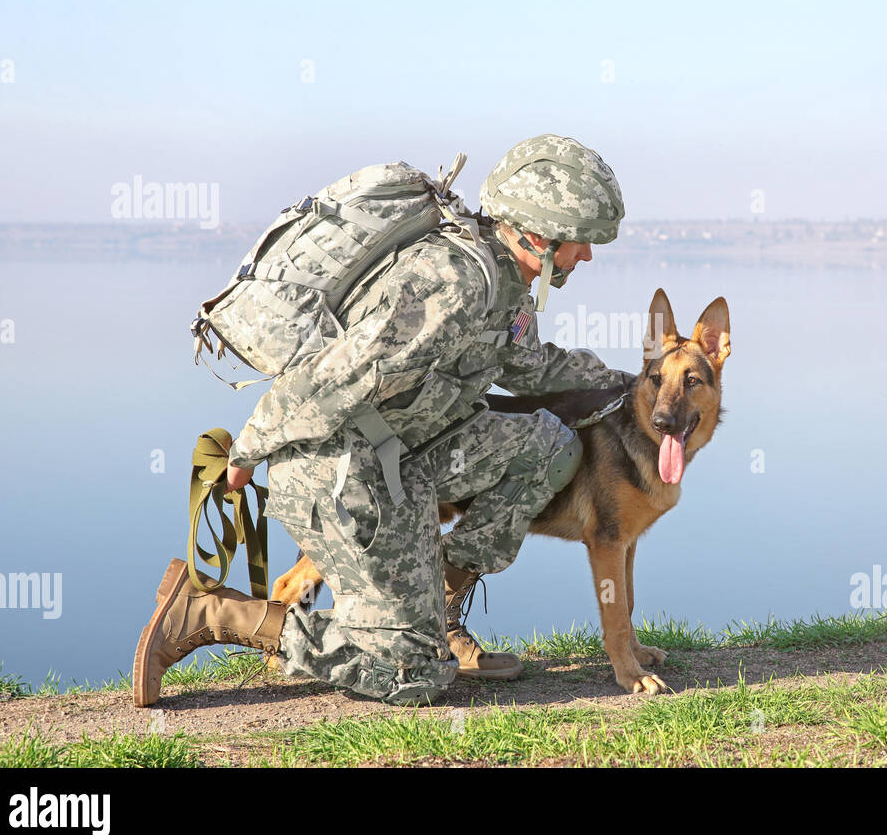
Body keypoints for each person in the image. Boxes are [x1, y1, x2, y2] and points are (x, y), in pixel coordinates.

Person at [134, 134, 635, 707]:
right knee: (412, 676)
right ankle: (212, 613)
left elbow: (527, 365)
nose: (588, 257)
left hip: (403, 452)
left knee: (547, 446)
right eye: (583, 242)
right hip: (338, 471)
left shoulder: (507, 281)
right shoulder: (454, 283)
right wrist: (250, 448)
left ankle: (436, 614)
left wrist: (626, 385)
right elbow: (333, 376)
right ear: (540, 234)